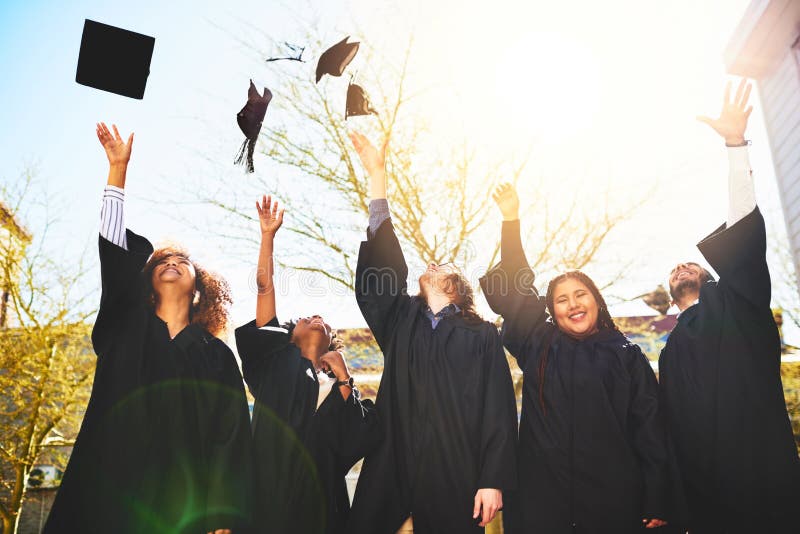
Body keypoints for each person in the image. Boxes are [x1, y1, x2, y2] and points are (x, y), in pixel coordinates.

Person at [45, 123, 253, 534]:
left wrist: (223, 511)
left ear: (200, 288)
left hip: (181, 505)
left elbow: (230, 436)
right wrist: (117, 172)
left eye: (182, 260)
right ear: (147, 279)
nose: (171, 262)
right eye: (161, 260)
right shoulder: (124, 328)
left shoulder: (215, 355)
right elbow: (113, 254)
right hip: (109, 492)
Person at [345, 132, 518, 534]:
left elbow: (497, 409)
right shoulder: (401, 319)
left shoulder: (481, 335)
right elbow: (383, 267)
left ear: (455, 285)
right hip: (394, 460)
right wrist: (377, 175)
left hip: (454, 467)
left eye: (441, 265)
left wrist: (491, 478)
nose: (431, 264)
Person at [481, 183, 672, 533]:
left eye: (581, 294)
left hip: (613, 501)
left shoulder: (627, 356)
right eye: (562, 299)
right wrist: (511, 221)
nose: (573, 304)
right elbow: (518, 292)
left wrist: (656, 495)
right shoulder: (539, 343)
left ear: (596, 301)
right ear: (552, 311)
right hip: (544, 500)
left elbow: (650, 430)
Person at [658, 79, 800, 534]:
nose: (682, 265)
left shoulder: (738, 306)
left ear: (714, 276)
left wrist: (735, 146)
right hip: (706, 500)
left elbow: (742, 232)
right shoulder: (669, 351)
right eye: (674, 268)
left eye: (691, 264)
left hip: (765, 483)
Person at [234, 195, 381, 534]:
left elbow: (356, 443)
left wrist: (345, 378)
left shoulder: (342, 389)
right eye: (304, 318)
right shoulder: (271, 362)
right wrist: (267, 238)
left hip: (323, 513)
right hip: (267, 505)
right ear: (287, 334)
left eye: (323, 320)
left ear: (332, 340)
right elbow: (264, 288)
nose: (316, 318)